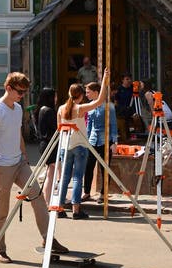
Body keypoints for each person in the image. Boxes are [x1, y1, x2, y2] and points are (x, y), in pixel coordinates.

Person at [0, 71, 68, 264]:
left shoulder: (18, 109)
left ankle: (48, 239)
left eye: (24, 92)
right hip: (2, 166)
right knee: (1, 210)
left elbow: (18, 134)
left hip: (19, 163)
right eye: (19, 92)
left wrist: (24, 156)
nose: (22, 96)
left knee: (37, 198)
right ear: (8, 88)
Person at [57, 67, 110, 219]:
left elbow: (59, 128)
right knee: (77, 178)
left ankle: (60, 207)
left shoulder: (61, 109)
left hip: (65, 146)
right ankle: (76, 209)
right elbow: (99, 100)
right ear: (80, 96)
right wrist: (105, 80)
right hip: (79, 145)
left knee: (65, 178)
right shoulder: (80, 108)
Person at [83, 81, 118, 202]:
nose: (86, 94)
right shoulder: (90, 106)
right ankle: (87, 192)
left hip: (105, 140)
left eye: (88, 92)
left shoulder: (109, 106)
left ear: (96, 92)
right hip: (92, 140)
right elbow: (89, 125)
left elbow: (113, 124)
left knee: (105, 168)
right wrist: (86, 139)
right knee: (88, 167)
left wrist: (114, 142)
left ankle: (104, 193)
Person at [34, 87, 58, 205]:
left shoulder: (40, 109)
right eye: (55, 96)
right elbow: (56, 128)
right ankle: (47, 200)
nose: (56, 98)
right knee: (51, 173)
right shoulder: (48, 111)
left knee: (51, 171)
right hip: (50, 144)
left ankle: (46, 199)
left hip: (44, 143)